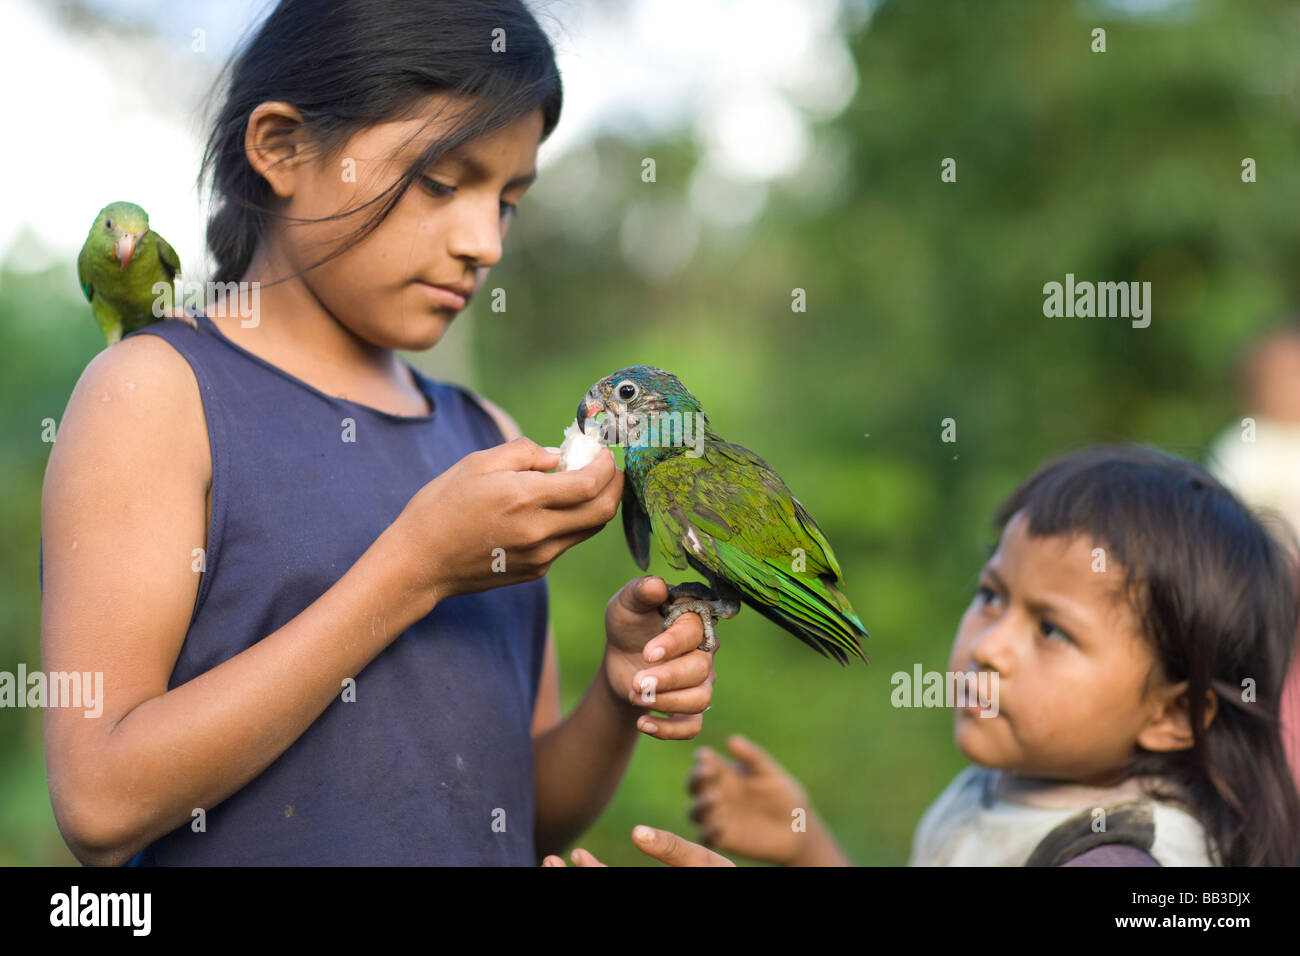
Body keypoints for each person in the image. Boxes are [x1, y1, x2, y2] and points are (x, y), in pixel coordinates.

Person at [40, 0, 716, 866]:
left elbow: (516, 812)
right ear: (281, 148)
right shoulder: (157, 394)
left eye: (507, 202)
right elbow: (100, 802)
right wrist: (414, 570)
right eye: (441, 182)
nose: (484, 243)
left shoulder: (486, 436)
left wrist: (619, 696)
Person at [547, 446, 1300, 866]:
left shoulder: (1117, 860)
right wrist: (815, 852)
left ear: (1173, 714)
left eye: (1053, 632)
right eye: (992, 595)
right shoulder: (1000, 789)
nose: (990, 646)